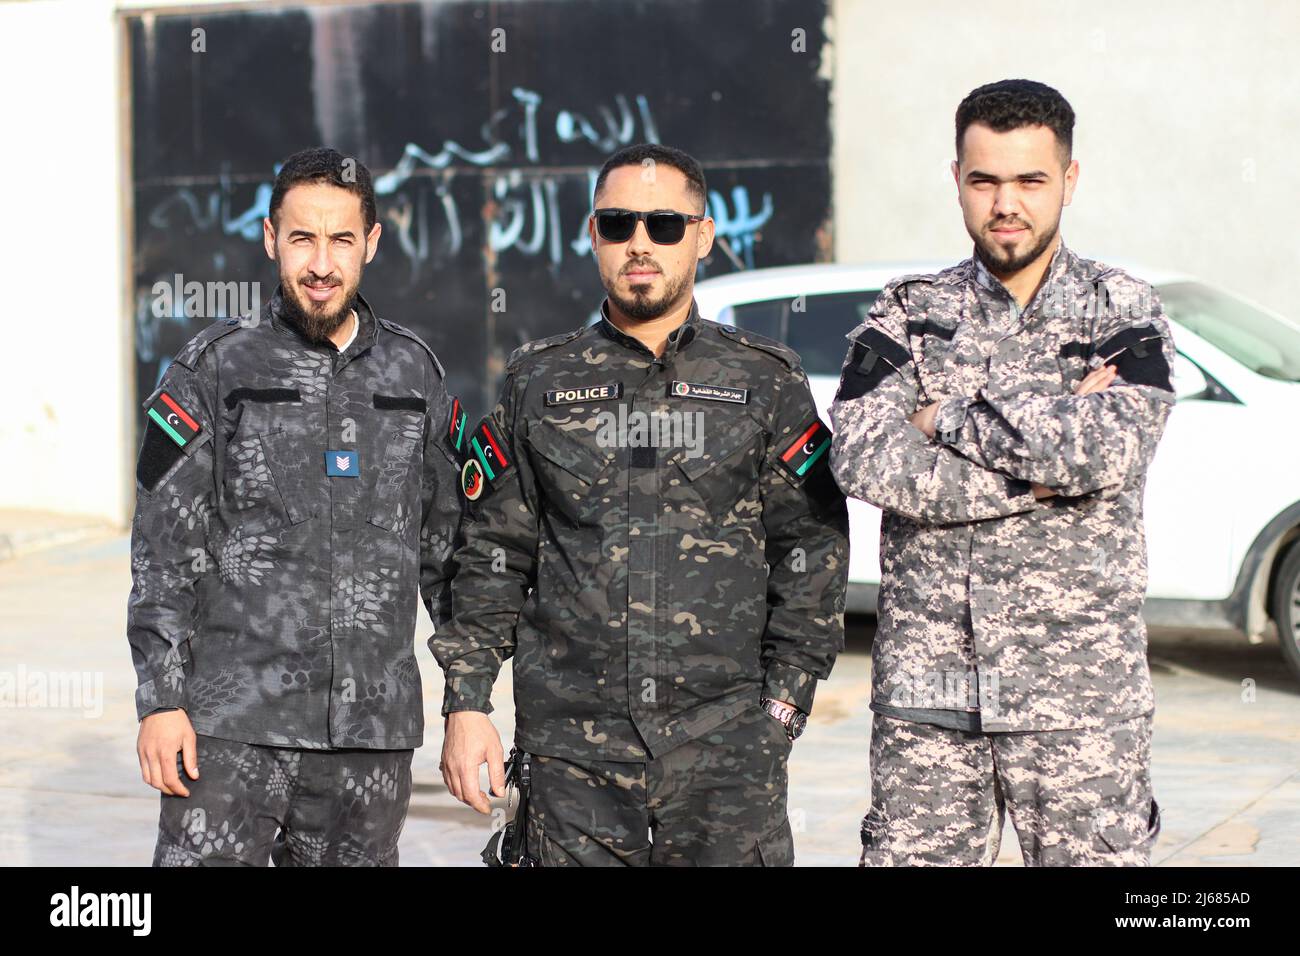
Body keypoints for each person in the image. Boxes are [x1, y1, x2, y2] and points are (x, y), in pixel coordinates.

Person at [434, 143, 849, 866]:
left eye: (664, 225)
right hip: (571, 762)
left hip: (724, 756)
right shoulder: (539, 381)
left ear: (703, 235)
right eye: (619, 223)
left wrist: (781, 709)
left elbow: (811, 549)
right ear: (593, 233)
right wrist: (467, 704)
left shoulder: (765, 382)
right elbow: (491, 556)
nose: (640, 245)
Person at [831, 79, 1172, 866]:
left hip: (1080, 692)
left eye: (1030, 180)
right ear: (957, 179)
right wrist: (1041, 478)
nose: (1005, 203)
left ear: (1069, 180)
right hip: (930, 691)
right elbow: (861, 454)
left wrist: (944, 417)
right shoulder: (907, 314)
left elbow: (1107, 451)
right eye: (984, 180)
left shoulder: (1119, 311)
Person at [128, 147, 464, 866]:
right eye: (302, 238)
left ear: (371, 243)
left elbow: (450, 558)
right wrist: (160, 700)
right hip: (230, 730)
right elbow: (163, 550)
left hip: (369, 740)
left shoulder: (416, 375)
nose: (321, 263)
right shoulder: (213, 368)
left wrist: (470, 703)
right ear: (270, 237)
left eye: (341, 239)